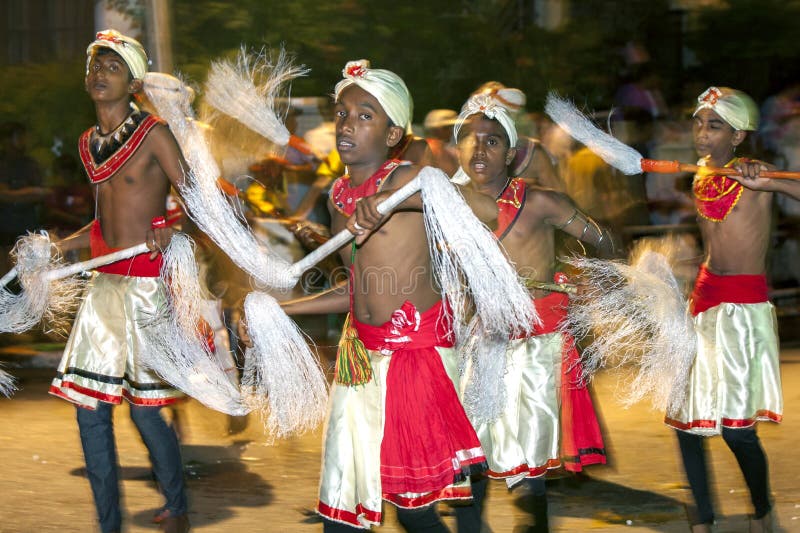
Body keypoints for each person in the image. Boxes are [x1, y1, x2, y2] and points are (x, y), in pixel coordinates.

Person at [250, 59, 498, 532]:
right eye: (342, 112)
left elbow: (486, 210)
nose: (347, 123)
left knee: (413, 512)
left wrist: (400, 199)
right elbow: (355, 291)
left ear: (391, 135)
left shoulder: (407, 178)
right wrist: (282, 311)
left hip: (413, 358)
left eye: (366, 115)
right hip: (358, 358)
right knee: (342, 502)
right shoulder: (339, 196)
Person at [46, 29, 190, 533]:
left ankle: (176, 502)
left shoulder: (154, 133)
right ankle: (108, 524)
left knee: (146, 413)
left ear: (133, 83)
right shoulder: (89, 144)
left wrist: (171, 232)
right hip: (104, 288)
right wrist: (59, 247)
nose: (98, 75)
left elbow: (196, 206)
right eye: (94, 67)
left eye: (110, 67)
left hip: (149, 287)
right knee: (89, 409)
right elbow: (104, 225)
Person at [451, 91, 612, 533]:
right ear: (456, 148)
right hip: (480, 344)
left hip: (537, 347)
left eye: (492, 141)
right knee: (471, 462)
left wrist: (576, 274)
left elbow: (605, 242)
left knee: (531, 472)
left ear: (513, 154)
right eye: (470, 139)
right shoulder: (443, 206)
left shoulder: (539, 202)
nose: (479, 149)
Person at [664, 86, 800, 532]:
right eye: (699, 123)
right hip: (703, 301)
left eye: (715, 126)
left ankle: (763, 510)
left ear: (739, 137)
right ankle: (702, 519)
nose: (702, 134)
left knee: (737, 431)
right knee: (686, 420)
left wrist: (767, 179)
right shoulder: (702, 171)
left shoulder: (753, 175)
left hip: (743, 310)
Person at [0, 120, 48, 274]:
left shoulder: (30, 164)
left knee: (28, 278)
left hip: (28, 230)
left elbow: (42, 194)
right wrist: (29, 193)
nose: (23, 140)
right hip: (4, 232)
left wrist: (13, 195)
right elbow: (3, 195)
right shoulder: (2, 164)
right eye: (18, 136)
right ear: (6, 140)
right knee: (5, 278)